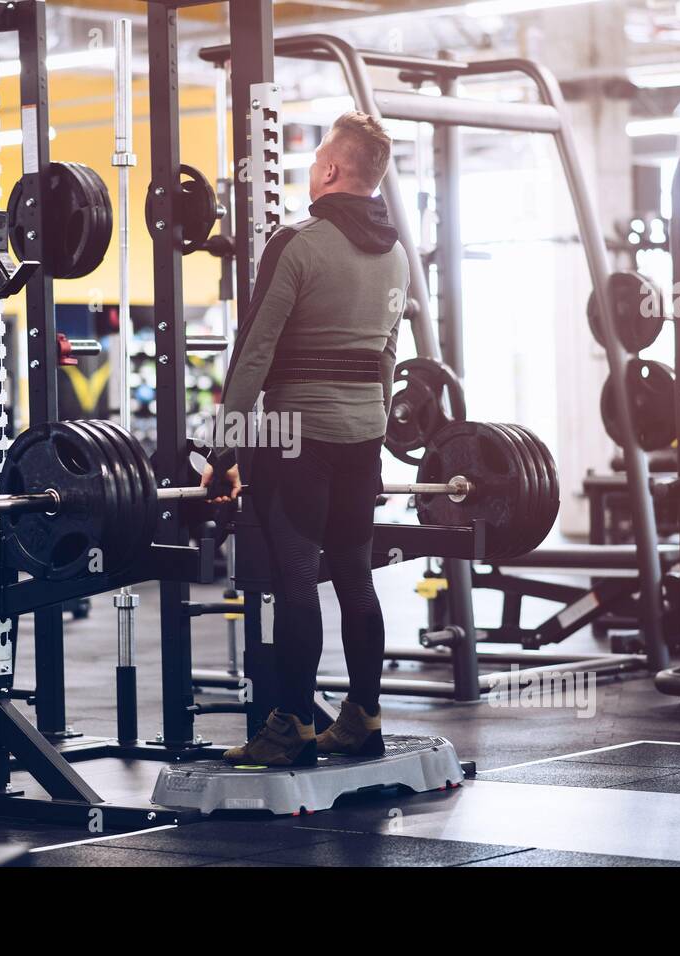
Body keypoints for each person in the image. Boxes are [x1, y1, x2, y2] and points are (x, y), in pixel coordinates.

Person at [201, 111, 409, 766]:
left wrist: (221, 451)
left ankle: (288, 730)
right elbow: (387, 356)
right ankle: (363, 719)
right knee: (353, 573)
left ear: (331, 170)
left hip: (299, 434)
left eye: (317, 158)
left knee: (295, 580)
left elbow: (254, 352)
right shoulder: (397, 252)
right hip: (363, 437)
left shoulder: (299, 243)